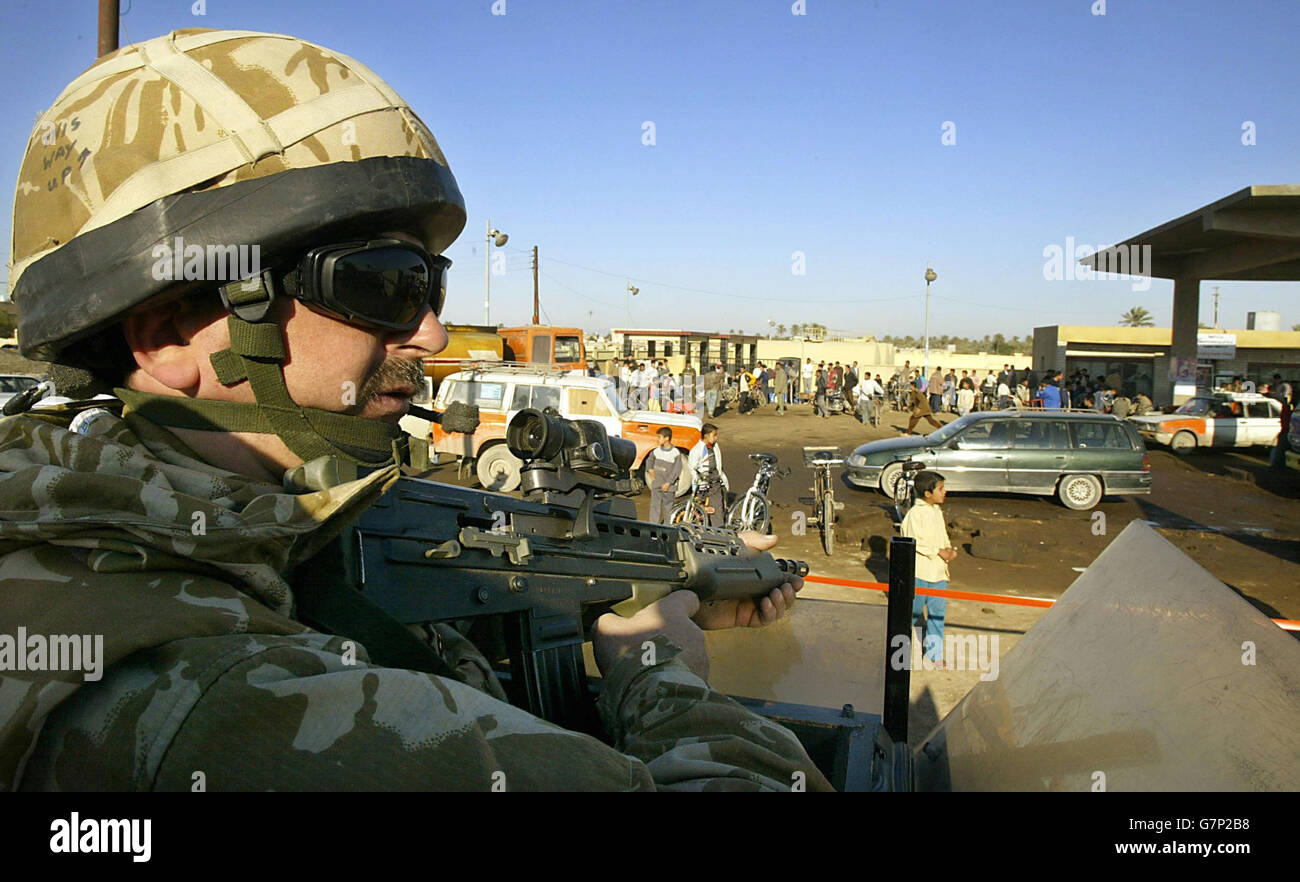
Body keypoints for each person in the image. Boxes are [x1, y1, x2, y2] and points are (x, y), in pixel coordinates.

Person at [0, 29, 823, 793]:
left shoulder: (111, 525)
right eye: (382, 282)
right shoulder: (225, 702)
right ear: (169, 334)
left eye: (433, 285)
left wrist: (651, 582)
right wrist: (658, 669)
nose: (430, 333)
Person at [901, 471, 958, 668]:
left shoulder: (936, 512)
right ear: (927, 493)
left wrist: (949, 550)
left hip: (938, 573)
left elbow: (942, 536)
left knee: (937, 615)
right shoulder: (915, 515)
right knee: (912, 613)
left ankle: (935, 653)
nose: (944, 492)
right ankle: (899, 647)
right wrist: (938, 551)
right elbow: (913, 541)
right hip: (920, 573)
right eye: (940, 489)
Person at [687, 424, 729, 527]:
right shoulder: (697, 450)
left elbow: (718, 463)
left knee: (717, 508)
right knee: (700, 508)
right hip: (702, 483)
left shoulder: (715, 447)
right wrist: (698, 480)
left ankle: (718, 529)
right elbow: (692, 467)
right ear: (706, 436)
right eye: (714, 435)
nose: (716, 438)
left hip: (715, 482)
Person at [647, 427, 683, 523]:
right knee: (654, 506)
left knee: (668, 508)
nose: (657, 439)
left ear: (667, 438)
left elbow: (677, 470)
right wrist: (650, 470)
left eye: (659, 437)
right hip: (657, 484)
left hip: (669, 487)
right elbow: (649, 460)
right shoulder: (656, 451)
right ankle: (653, 526)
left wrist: (668, 483)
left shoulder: (675, 453)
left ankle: (667, 526)